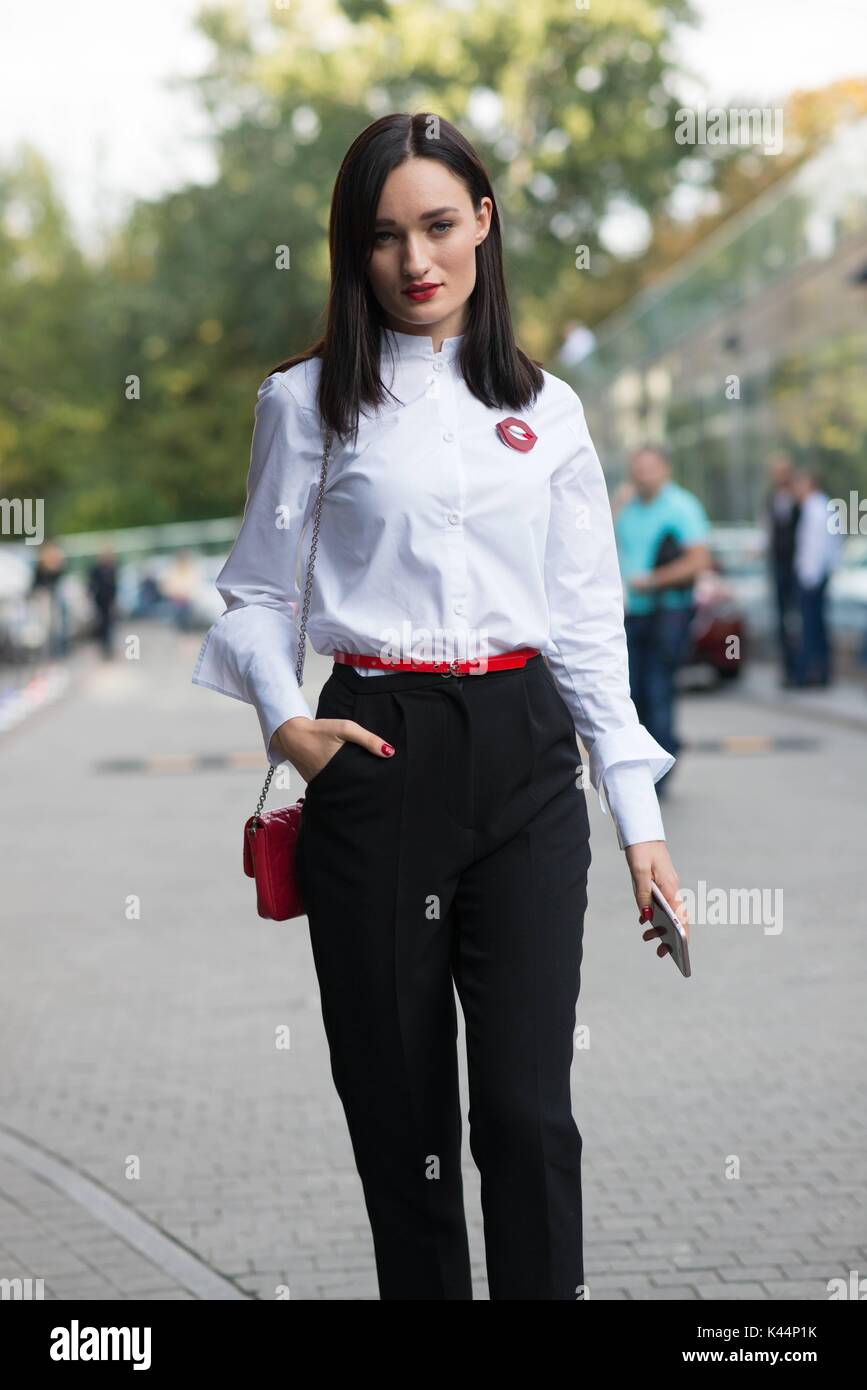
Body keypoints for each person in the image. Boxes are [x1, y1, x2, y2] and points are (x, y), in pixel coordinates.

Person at [191, 113, 689, 1302]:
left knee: (527, 1116)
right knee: (403, 1129)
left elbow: (583, 622)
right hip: (373, 751)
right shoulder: (307, 402)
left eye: (439, 225)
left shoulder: (550, 410)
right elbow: (258, 594)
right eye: (383, 237)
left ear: (485, 223)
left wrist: (641, 820)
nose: (416, 260)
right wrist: (284, 720)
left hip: (524, 760)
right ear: (351, 254)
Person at [613, 447, 711, 798]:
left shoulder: (682, 507)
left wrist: (654, 580)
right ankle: (641, 765)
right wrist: (617, 503)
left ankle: (661, 769)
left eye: (650, 469)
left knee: (658, 689)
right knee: (632, 693)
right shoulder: (628, 508)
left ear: (665, 470)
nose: (643, 476)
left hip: (669, 610)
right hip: (632, 612)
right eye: (637, 470)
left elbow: (699, 561)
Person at [790, 468, 842, 687]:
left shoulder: (816, 509)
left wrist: (809, 577)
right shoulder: (821, 506)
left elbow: (816, 548)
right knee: (816, 626)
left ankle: (811, 673)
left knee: (811, 627)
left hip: (813, 577)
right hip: (817, 575)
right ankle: (819, 672)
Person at [760, 453, 801, 686]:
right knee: (781, 619)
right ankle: (788, 669)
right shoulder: (770, 498)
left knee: (798, 619)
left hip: (796, 568)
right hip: (778, 566)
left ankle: (801, 668)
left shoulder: (799, 499)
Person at [87, 545, 118, 658]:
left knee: (110, 624)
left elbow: (114, 586)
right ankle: (104, 647)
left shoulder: (112, 568)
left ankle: (108, 648)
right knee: (102, 624)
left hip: (109, 600)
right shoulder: (96, 569)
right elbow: (91, 585)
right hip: (100, 600)